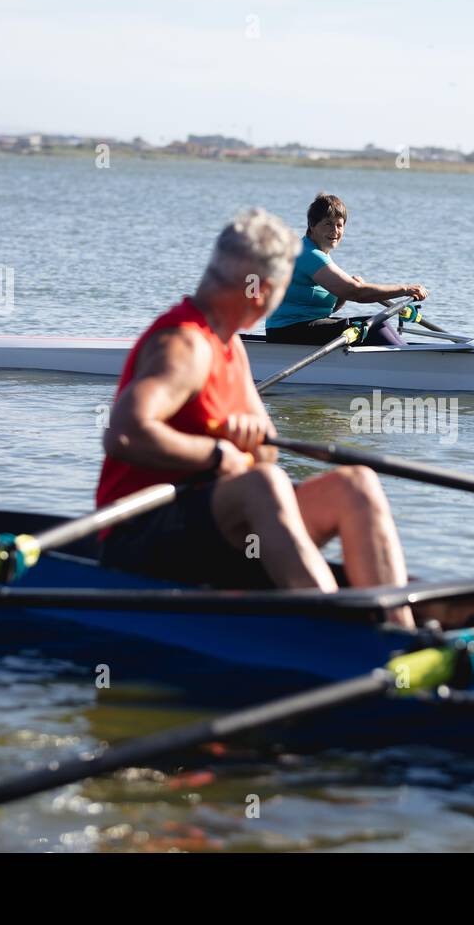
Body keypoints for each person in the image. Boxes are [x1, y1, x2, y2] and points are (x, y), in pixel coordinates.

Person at [96, 208, 415, 627]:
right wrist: (216, 455)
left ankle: (397, 632)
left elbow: (266, 455)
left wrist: (254, 446)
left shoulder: (231, 346)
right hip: (137, 537)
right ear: (261, 290)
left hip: (217, 529)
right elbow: (124, 434)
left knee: (354, 483)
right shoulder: (184, 345)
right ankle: (337, 632)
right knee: (263, 486)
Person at [264, 193, 428, 346]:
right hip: (287, 331)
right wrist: (405, 289)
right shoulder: (310, 255)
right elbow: (357, 293)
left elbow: (331, 307)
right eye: (328, 224)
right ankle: (406, 362)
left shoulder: (315, 252)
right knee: (374, 327)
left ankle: (400, 356)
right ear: (312, 225)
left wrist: (344, 293)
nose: (335, 231)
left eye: (339, 225)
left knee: (371, 325)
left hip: (299, 327)